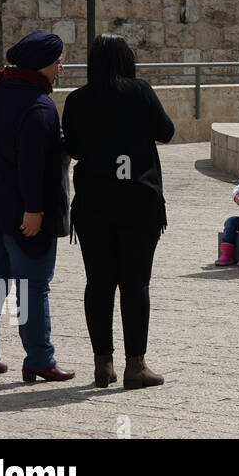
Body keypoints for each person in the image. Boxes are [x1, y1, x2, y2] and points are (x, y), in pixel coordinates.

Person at [0, 32, 73, 383]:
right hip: (21, 213)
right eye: (58, 61)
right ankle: (39, 359)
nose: (60, 68)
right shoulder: (38, 104)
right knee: (32, 285)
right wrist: (35, 211)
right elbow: (32, 165)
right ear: (44, 64)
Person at [62, 33, 175, 389]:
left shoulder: (77, 100)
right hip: (138, 201)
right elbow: (167, 132)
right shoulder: (140, 91)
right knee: (135, 283)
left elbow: (75, 149)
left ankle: (102, 364)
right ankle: (135, 365)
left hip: (94, 203)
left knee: (98, 283)